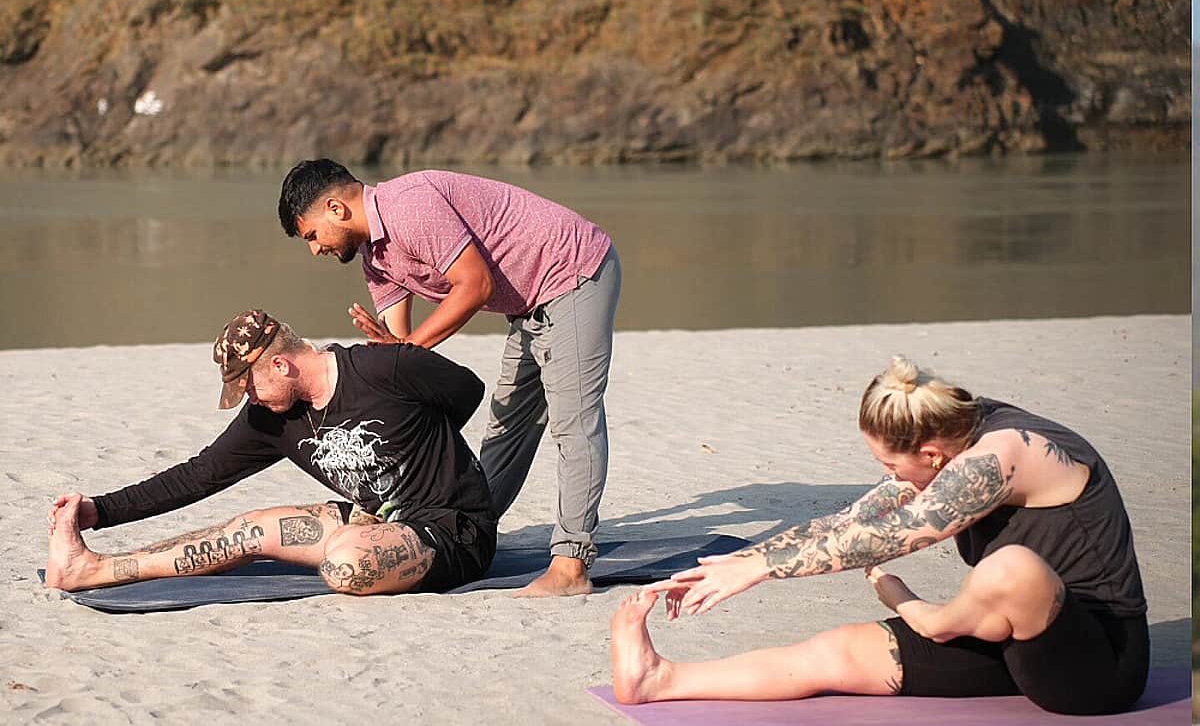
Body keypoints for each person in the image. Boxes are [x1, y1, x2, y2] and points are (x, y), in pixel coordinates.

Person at [610, 356, 1148, 716]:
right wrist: (740, 561)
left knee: (1011, 569)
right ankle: (657, 679)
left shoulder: (1001, 456)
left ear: (932, 455)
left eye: (891, 464)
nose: (889, 477)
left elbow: (890, 539)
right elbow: (854, 520)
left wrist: (761, 570)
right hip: (1009, 641)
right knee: (836, 652)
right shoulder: (949, 431)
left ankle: (933, 620)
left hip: (1096, 663)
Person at [277, 160, 621, 597]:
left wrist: (407, 351)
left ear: (335, 208)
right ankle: (469, 525)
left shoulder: (408, 207)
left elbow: (473, 285)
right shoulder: (377, 259)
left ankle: (571, 567)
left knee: (575, 422)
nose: (314, 249)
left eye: (311, 235)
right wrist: (388, 366)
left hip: (572, 274)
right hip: (528, 304)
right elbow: (401, 356)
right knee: (506, 427)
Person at [45, 309, 496, 597]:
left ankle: (353, 539)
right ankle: (91, 569)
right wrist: (100, 511)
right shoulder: (273, 419)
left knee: (346, 564)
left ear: (280, 364)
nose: (251, 400)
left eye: (250, 387)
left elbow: (467, 391)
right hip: (372, 520)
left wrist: (431, 446)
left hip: (453, 530)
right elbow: (198, 474)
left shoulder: (387, 368)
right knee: (249, 530)